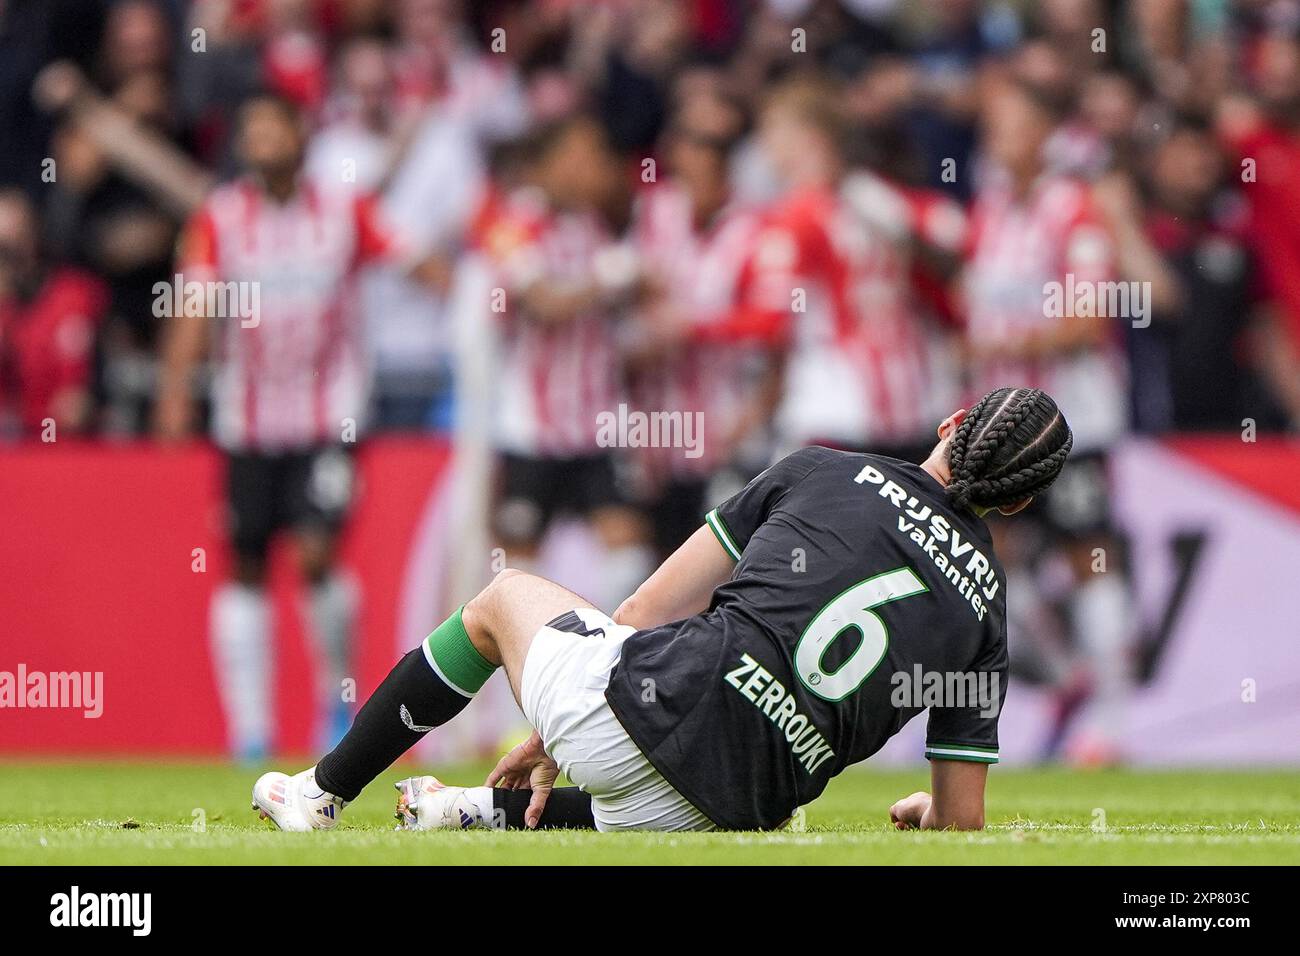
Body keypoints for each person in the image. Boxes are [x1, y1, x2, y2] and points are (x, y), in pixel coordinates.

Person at [252, 386, 1073, 833]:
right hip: (744, 807)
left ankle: (321, 793)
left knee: (503, 598)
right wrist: (932, 808)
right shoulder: (989, 610)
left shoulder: (823, 470)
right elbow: (963, 821)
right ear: (1022, 502)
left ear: (952, 423)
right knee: (674, 793)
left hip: (646, 712)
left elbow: (646, 604)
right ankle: (458, 812)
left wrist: (553, 729)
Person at [155, 93, 447, 758]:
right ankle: (251, 731)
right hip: (247, 422)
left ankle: (335, 704)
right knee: (246, 564)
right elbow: (195, 304)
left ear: (299, 135)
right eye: (251, 128)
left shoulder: (344, 213)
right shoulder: (221, 217)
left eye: (273, 126)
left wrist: (477, 297)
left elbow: (422, 263)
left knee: (317, 555)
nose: (262, 139)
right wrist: (176, 389)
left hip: (330, 419)